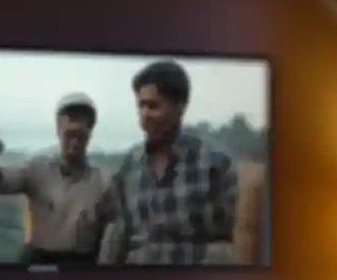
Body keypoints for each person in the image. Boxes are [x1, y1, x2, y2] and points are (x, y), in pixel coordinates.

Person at [95, 60, 241, 265]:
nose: (145, 115)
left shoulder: (214, 164)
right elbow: (116, 236)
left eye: (153, 106)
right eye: (141, 106)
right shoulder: (129, 167)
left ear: (180, 106)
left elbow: (233, 239)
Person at [0, 92, 112, 264]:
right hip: (38, 262)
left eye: (81, 136)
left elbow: (113, 237)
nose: (74, 143)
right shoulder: (37, 168)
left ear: (90, 134)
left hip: (81, 266)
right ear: (58, 128)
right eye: (69, 135)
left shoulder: (102, 182)